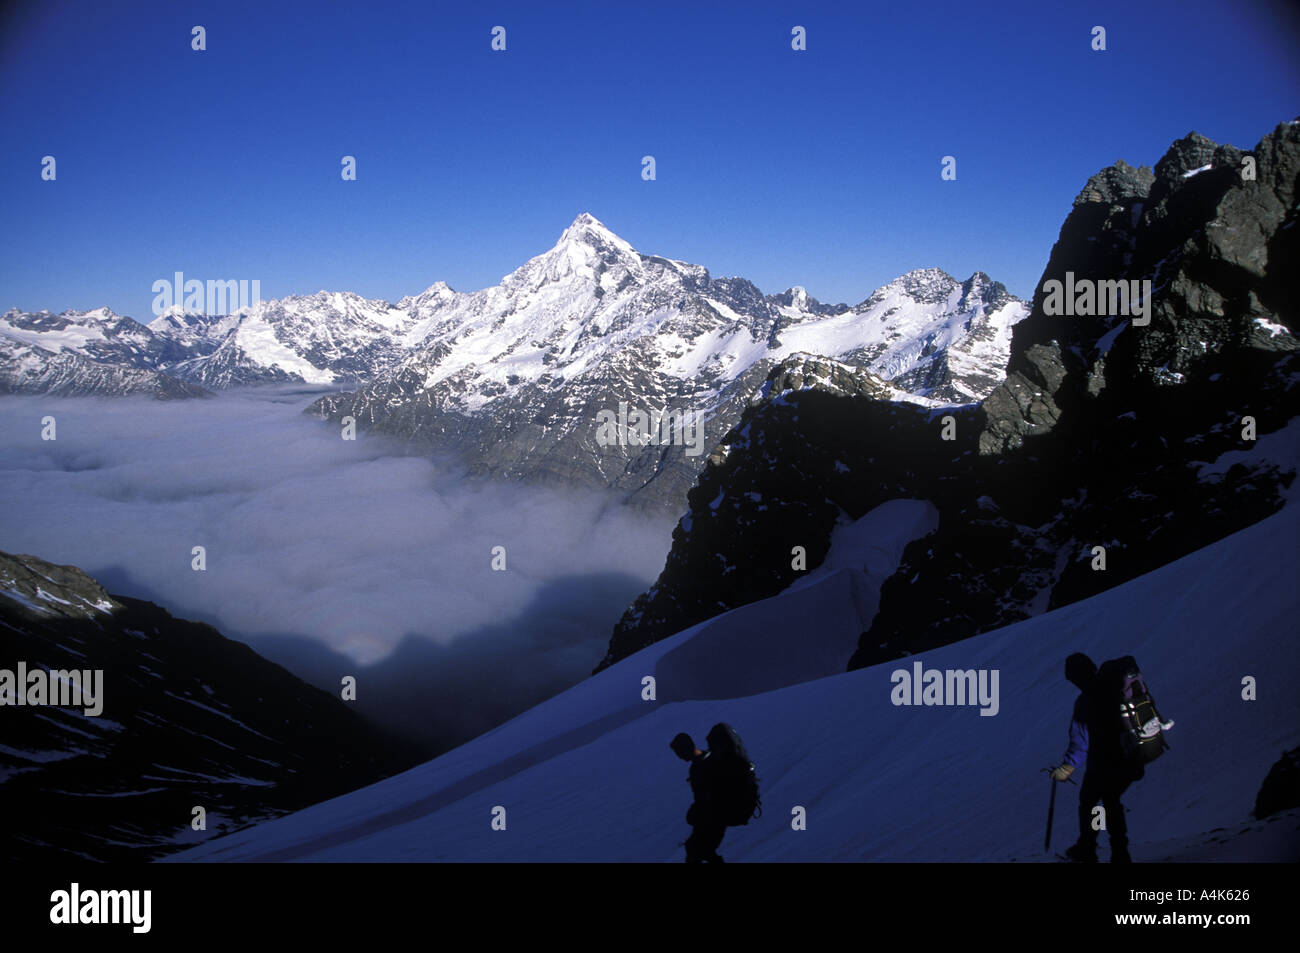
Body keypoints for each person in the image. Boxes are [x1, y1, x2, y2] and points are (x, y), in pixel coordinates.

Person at [1050, 652, 1137, 863]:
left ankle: (1089, 849)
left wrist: (1065, 770)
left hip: (1103, 764)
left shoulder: (1085, 702)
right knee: (1108, 803)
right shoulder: (1113, 690)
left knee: (1091, 803)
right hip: (1125, 760)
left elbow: (1079, 743)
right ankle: (1116, 852)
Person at [669, 732, 726, 863]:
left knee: (697, 851)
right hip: (714, 816)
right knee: (700, 850)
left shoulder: (699, 767)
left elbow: (706, 798)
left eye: (679, 752)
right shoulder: (707, 759)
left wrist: (695, 813)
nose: (679, 757)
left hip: (714, 818)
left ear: (686, 748)